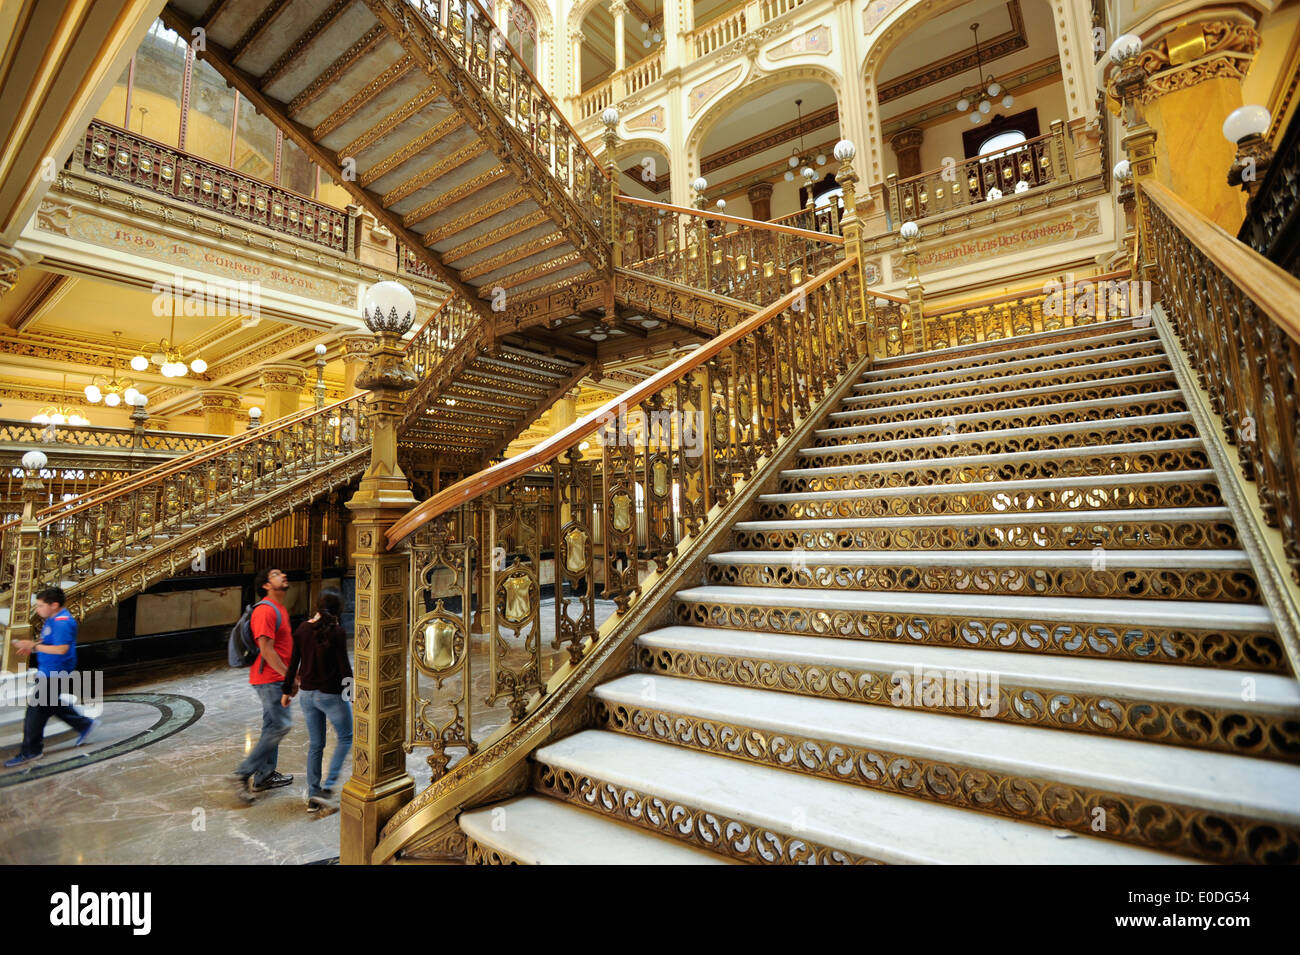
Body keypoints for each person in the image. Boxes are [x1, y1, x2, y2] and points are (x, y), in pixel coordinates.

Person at [5, 587, 95, 767]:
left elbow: (61, 649)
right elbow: (51, 642)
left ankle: (31, 751)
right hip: (48, 670)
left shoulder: (62, 622)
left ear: (54, 605)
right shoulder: (53, 619)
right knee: (51, 705)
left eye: (40, 605)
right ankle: (84, 724)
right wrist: (32, 646)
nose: (37, 609)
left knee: (35, 714)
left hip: (55, 673)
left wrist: (34, 646)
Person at [281, 590, 353, 813]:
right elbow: (344, 667)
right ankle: (329, 789)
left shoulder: (302, 629)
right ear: (338, 610)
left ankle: (313, 795)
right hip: (330, 695)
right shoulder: (337, 632)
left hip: (307, 695)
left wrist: (286, 691)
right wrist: (351, 694)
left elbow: (294, 663)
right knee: (346, 737)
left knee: (316, 744)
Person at [230, 568, 295, 803]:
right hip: (269, 678)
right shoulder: (266, 610)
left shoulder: (279, 608)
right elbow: (267, 650)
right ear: (267, 585)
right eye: (277, 574)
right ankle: (243, 773)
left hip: (273, 677)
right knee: (281, 725)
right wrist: (289, 678)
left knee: (272, 726)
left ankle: (264, 775)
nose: (283, 575)